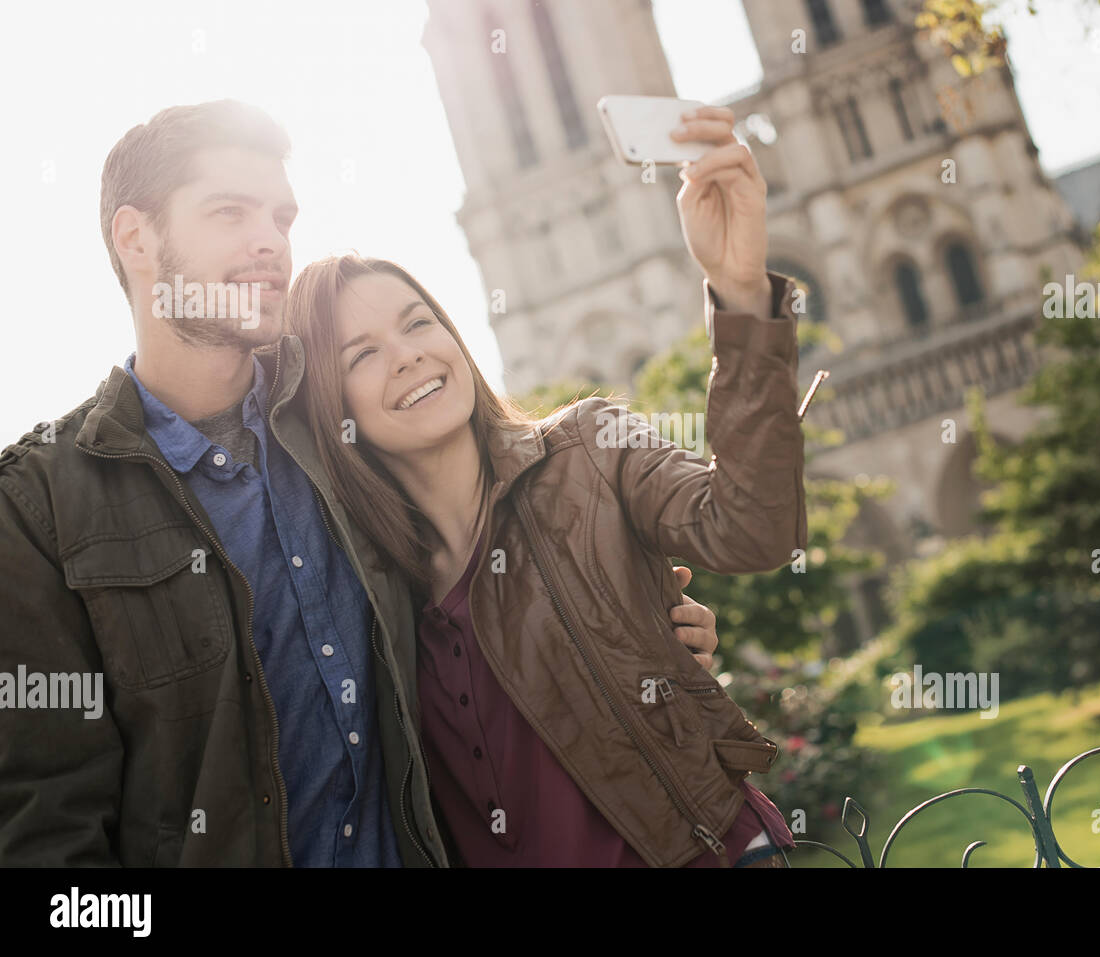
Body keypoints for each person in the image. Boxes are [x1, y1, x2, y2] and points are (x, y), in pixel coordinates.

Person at [0, 99, 720, 866]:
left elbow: (490, 563)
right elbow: (46, 832)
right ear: (136, 238)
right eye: (229, 212)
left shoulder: (347, 417)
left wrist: (626, 625)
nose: (268, 243)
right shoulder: (37, 506)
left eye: (281, 217)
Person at [284, 104, 806, 866]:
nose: (407, 356)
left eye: (418, 322)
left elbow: (753, 528)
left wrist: (741, 292)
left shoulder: (590, 446)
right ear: (333, 410)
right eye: (361, 354)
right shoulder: (363, 586)